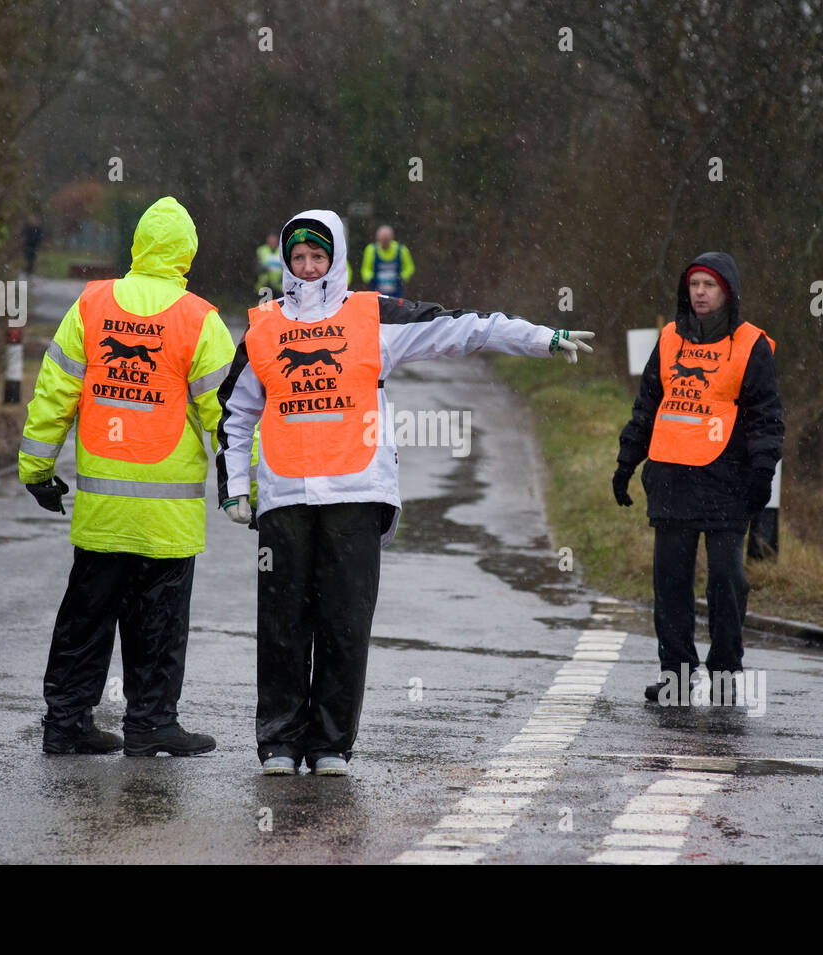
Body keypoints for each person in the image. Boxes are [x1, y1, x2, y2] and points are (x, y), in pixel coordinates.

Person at [216, 209, 593, 776]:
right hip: (285, 499)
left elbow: (463, 328)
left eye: (318, 256)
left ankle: (328, 745)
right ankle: (279, 741)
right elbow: (234, 412)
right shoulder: (265, 325)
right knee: (283, 624)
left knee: (345, 622)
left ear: (336, 258)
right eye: (298, 257)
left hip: (356, 493)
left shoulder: (373, 317)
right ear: (286, 262)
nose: (308, 266)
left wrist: (541, 338)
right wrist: (235, 487)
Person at [18, 196, 236, 756]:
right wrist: (251, 487)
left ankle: (66, 725)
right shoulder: (199, 319)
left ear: (137, 245)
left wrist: (37, 469)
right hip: (168, 515)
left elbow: (55, 390)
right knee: (159, 625)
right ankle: (151, 724)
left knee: (86, 619)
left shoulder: (92, 304)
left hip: (103, 511)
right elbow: (229, 415)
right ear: (186, 253)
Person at [612, 252, 783, 705]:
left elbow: (767, 419)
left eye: (710, 284)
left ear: (727, 291)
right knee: (670, 585)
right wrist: (626, 462)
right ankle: (678, 677)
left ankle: (726, 673)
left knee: (726, 582)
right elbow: (647, 405)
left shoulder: (752, 345)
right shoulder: (669, 339)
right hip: (670, 479)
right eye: (695, 285)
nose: (701, 292)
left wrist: (762, 474)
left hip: (727, 482)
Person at [360, 224, 414, 298]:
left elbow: (410, 267)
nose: (384, 243)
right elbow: (365, 269)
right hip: (377, 291)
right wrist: (371, 278)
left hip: (396, 291)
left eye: (387, 240)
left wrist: (402, 277)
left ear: (391, 238)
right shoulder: (371, 250)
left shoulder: (401, 249)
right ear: (378, 239)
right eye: (382, 240)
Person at [255, 231, 282, 297]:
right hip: (264, 286)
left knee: (278, 306)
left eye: (274, 238)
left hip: (279, 287)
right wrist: (262, 269)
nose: (272, 240)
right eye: (270, 238)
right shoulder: (261, 250)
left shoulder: (282, 251)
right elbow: (256, 267)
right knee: (266, 307)